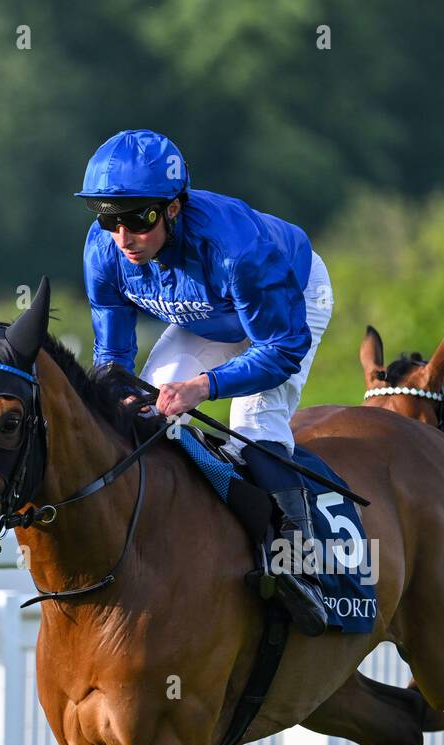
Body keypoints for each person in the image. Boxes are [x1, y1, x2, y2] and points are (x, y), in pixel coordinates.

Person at [79, 129, 335, 633]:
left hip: (291, 303)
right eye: (109, 219)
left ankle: (299, 564)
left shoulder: (236, 249)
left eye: (138, 218)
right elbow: (113, 358)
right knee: (146, 411)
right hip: (211, 316)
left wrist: (205, 386)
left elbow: (282, 350)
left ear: (173, 208)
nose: (123, 237)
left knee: (255, 420)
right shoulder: (105, 254)